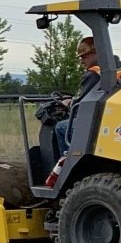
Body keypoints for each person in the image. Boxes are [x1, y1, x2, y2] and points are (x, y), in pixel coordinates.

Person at [45, 36, 103, 166]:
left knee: (61, 127)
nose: (81, 60)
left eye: (84, 56)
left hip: (98, 121)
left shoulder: (94, 74)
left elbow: (81, 105)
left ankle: (66, 168)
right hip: (112, 120)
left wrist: (69, 103)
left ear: (96, 53)